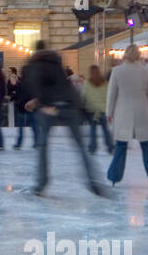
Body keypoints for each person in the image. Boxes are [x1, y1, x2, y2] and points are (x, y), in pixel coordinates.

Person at [23, 41, 107, 198]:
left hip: (50, 107)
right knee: (80, 146)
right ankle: (93, 182)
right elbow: (62, 86)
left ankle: (41, 183)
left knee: (43, 145)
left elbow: (39, 87)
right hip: (70, 105)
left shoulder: (34, 65)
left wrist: (43, 104)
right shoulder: (57, 62)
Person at [104, 46, 148, 187]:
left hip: (123, 111)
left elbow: (112, 94)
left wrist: (109, 112)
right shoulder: (145, 71)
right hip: (141, 110)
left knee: (121, 145)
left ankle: (114, 176)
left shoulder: (117, 71)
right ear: (138, 55)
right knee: (146, 145)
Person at [81, 64, 111, 154]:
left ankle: (93, 147)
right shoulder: (105, 83)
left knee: (93, 130)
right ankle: (110, 146)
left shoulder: (87, 82)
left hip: (91, 110)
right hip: (102, 109)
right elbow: (108, 95)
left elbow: (83, 95)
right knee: (105, 129)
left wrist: (83, 104)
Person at [11, 64, 36, 149]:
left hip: (22, 108)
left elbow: (17, 94)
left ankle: (19, 144)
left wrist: (14, 99)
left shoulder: (20, 83)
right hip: (31, 107)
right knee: (34, 126)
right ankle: (37, 142)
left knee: (21, 128)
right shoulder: (33, 82)